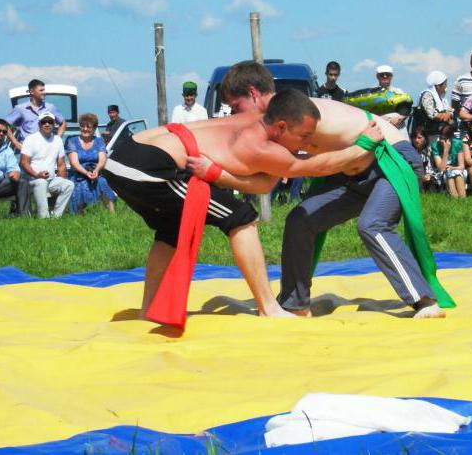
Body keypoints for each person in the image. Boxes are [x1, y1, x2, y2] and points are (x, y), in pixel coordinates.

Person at [102, 87, 381, 321]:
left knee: (171, 230)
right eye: (304, 137)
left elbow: (264, 184)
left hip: (122, 157)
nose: (306, 144)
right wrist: (361, 146)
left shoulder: (254, 119)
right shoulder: (259, 146)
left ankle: (149, 309)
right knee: (241, 217)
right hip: (148, 168)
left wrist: (216, 173)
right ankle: (269, 307)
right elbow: (315, 167)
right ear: (281, 126)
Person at [214, 61, 447, 319]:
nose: (235, 115)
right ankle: (295, 304)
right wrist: (213, 173)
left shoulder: (293, 112)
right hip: (355, 169)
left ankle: (424, 301)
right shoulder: (277, 122)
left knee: (373, 224)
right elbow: (267, 179)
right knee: (299, 220)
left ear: (253, 93)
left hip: (391, 159)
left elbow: (296, 169)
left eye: (236, 106)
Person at [20, 112, 74, 218]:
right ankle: (44, 218)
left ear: (54, 124)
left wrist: (61, 180)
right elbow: (24, 162)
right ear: (39, 124)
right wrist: (36, 175)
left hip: (51, 180)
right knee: (41, 183)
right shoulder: (30, 139)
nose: (47, 124)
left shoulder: (58, 140)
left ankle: (55, 217)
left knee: (69, 185)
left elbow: (61, 164)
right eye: (44, 122)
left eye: (50, 122)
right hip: (32, 180)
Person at [65, 113, 116, 214]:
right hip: (78, 174)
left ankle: (112, 215)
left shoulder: (99, 141)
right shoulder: (72, 141)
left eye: (88, 126)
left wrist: (96, 170)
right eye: (82, 126)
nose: (84, 129)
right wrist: (86, 173)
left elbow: (102, 159)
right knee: (80, 186)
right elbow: (74, 163)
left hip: (95, 172)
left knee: (102, 183)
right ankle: (79, 214)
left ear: (94, 128)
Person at [6, 79, 66, 151]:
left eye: (44, 90)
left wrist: (57, 139)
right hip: (27, 148)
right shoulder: (20, 109)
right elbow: (5, 125)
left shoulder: (50, 107)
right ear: (32, 91)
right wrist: (16, 143)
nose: (44, 92)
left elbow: (63, 123)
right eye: (41, 90)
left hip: (47, 149)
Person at [413, 70, 454, 143]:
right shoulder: (427, 95)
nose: (446, 86)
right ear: (438, 86)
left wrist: (448, 115)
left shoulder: (442, 98)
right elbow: (432, 114)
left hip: (439, 133)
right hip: (428, 134)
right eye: (444, 84)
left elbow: (450, 111)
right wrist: (445, 116)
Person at [431, 124, 466, 198]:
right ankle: (455, 198)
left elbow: (462, 166)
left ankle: (462, 198)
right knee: (449, 173)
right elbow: (441, 169)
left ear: (451, 138)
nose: (442, 140)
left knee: (455, 173)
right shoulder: (435, 146)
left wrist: (452, 168)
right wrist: (446, 151)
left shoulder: (458, 143)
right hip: (442, 173)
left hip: (457, 171)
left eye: (445, 138)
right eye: (441, 137)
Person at [373, 64, 409, 132]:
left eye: (387, 74)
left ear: (391, 76)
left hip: (398, 129)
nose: (385, 76)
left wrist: (399, 119)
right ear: (377, 77)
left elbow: (408, 109)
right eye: (382, 74)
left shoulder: (399, 92)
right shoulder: (372, 93)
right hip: (380, 128)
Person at [410, 126, 439, 192]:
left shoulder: (430, 150)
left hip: (429, 175)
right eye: (414, 138)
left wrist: (429, 174)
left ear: (425, 138)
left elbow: (431, 166)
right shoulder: (410, 150)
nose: (416, 140)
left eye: (419, 138)